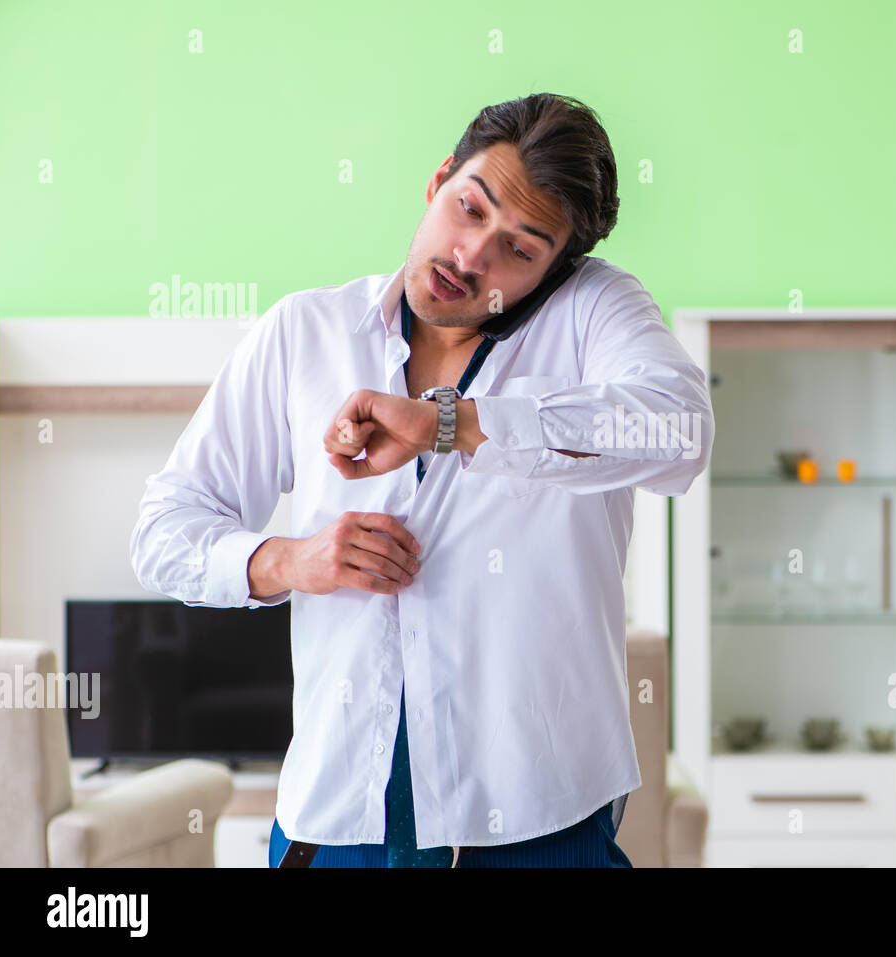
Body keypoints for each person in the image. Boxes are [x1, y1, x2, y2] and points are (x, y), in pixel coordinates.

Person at [130, 93, 714, 867]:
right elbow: (164, 530)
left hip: (541, 823)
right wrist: (294, 559)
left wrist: (452, 422)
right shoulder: (303, 333)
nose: (472, 256)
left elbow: (678, 428)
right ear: (440, 178)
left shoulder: (594, 312)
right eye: (470, 208)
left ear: (556, 270)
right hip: (338, 823)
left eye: (520, 248)